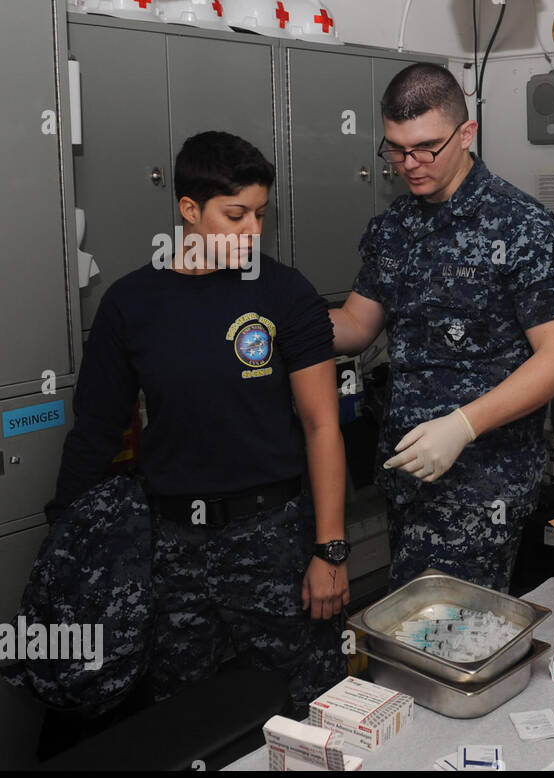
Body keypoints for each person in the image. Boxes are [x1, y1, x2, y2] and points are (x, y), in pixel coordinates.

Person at [49, 131, 349, 715]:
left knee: (308, 708)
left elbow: (321, 426)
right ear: (190, 210)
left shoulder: (285, 293)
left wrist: (331, 551)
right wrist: (64, 535)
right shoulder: (132, 304)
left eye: (260, 215)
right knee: (184, 717)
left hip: (273, 539)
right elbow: (97, 430)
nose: (252, 232)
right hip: (172, 549)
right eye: (235, 216)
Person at [330, 63, 554, 592]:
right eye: (395, 149)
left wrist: (462, 426)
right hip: (406, 470)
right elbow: (355, 324)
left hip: (480, 479)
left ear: (467, 133)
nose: (408, 164)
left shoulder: (521, 225)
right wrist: (268, 319)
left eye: (425, 148)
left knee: (451, 640)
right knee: (414, 624)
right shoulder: (394, 227)